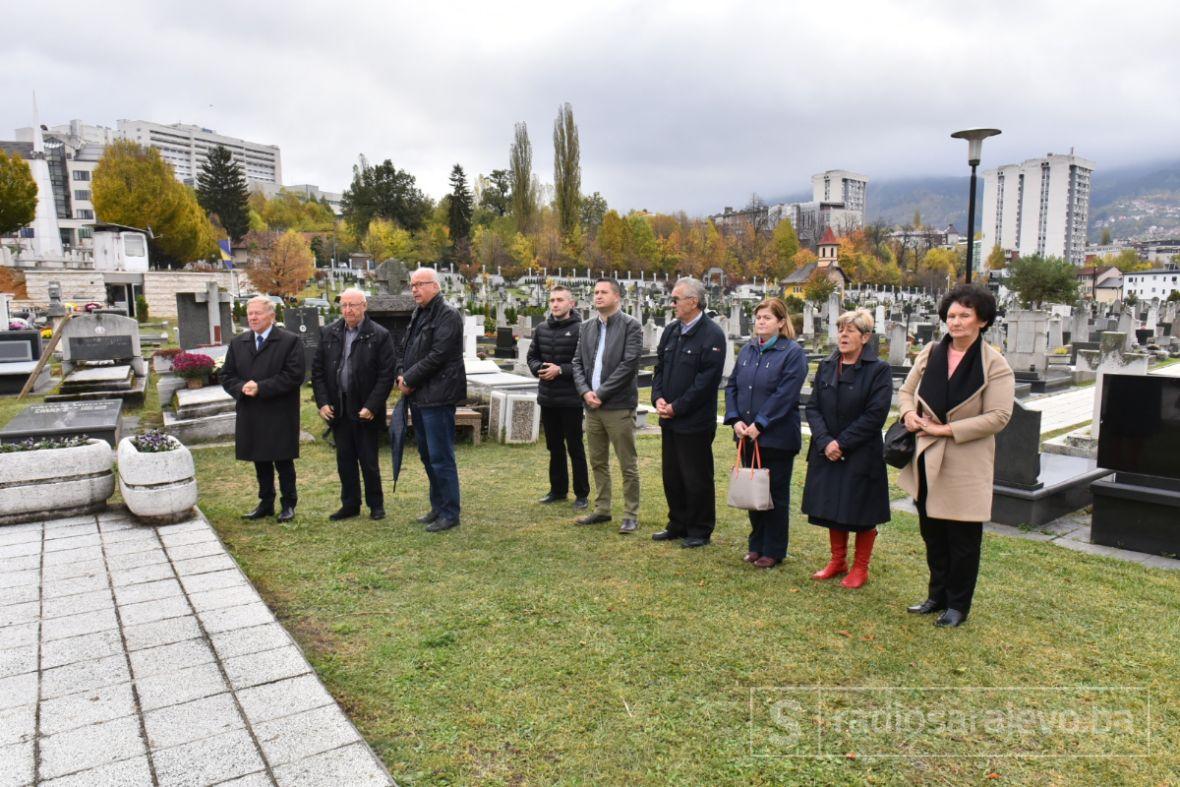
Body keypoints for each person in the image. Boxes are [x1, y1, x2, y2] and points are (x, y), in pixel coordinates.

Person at [898, 284, 1014, 628]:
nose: (957, 321)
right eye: (951, 315)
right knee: (931, 532)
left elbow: (998, 416)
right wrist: (908, 415)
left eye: (965, 315)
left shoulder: (995, 364)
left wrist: (945, 430)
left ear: (982, 321)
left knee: (962, 540)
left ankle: (958, 605)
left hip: (965, 461)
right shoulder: (930, 353)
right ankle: (937, 596)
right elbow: (906, 392)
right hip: (927, 458)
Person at [802, 309, 892, 588]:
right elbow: (813, 406)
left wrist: (841, 443)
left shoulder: (878, 370)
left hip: (860, 452)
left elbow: (875, 415)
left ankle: (860, 568)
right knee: (832, 505)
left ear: (865, 337)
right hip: (825, 448)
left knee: (861, 510)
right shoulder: (828, 366)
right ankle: (837, 560)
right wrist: (825, 440)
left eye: (850, 330)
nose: (843, 335)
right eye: (840, 330)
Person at [723, 298, 806, 568]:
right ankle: (756, 545)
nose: (760, 321)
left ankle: (774, 549)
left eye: (767, 317)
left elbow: (785, 394)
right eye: (758, 317)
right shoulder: (748, 350)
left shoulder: (792, 353)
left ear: (781, 322)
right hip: (746, 435)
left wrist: (761, 423)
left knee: (774, 496)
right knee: (753, 492)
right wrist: (735, 419)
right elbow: (733, 385)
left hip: (776, 438)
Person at [650, 277, 727, 548]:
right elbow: (659, 368)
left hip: (694, 421)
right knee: (672, 475)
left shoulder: (712, 335)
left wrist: (677, 407)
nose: (671, 304)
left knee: (696, 477)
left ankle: (700, 528)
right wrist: (658, 398)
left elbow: (706, 382)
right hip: (669, 419)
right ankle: (678, 523)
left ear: (693, 302)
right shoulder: (671, 331)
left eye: (675, 299)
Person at [311, 288, 396, 522]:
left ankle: (376, 505)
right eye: (344, 305)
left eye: (353, 305)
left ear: (364, 306)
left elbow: (386, 375)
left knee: (368, 460)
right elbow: (317, 372)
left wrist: (372, 406)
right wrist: (323, 402)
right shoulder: (330, 333)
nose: (348, 310)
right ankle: (350, 504)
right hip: (339, 408)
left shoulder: (379, 335)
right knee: (345, 460)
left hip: (365, 409)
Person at [221, 295, 306, 523]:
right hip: (252, 410)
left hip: (279, 410)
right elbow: (227, 375)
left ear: (271, 316)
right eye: (250, 314)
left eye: (258, 313)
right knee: (260, 458)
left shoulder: (289, 341)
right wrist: (241, 388)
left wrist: (262, 387)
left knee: (283, 459)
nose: (253, 317)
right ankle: (266, 502)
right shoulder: (239, 343)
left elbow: (294, 375)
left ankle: (288, 503)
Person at [396, 267, 466, 532]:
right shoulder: (419, 313)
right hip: (420, 396)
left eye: (419, 284)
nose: (414, 289)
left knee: (440, 456)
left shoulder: (447, 315)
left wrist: (410, 379)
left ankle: (450, 512)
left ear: (435, 286)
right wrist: (401, 372)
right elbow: (405, 348)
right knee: (427, 455)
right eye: (411, 285)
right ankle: (437, 507)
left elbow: (438, 355)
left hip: (438, 395)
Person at [571, 278, 643, 534]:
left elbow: (629, 364)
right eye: (596, 292)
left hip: (618, 406)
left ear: (617, 297)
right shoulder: (587, 326)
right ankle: (602, 509)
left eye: (603, 292)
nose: (598, 296)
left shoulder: (631, 326)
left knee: (627, 463)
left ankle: (631, 514)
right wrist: (585, 392)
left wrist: (600, 393)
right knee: (598, 460)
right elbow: (578, 362)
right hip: (592, 407)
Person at [527, 286, 590, 510]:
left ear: (571, 304)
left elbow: (584, 363)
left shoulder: (582, 329)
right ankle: (558, 490)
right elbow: (532, 356)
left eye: (560, 300)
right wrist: (539, 368)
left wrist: (560, 370)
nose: (555, 304)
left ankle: (582, 493)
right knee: (554, 446)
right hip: (548, 397)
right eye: (552, 300)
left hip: (571, 398)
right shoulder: (542, 328)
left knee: (574, 446)